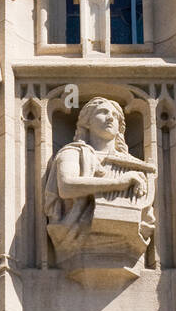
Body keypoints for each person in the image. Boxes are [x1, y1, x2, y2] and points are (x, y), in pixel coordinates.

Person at [44, 97, 155, 262]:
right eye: (103, 112)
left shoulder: (133, 166)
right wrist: (119, 183)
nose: (110, 117)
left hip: (128, 241)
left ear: (119, 127)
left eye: (115, 115)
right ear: (87, 122)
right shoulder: (72, 153)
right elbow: (67, 186)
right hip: (75, 236)